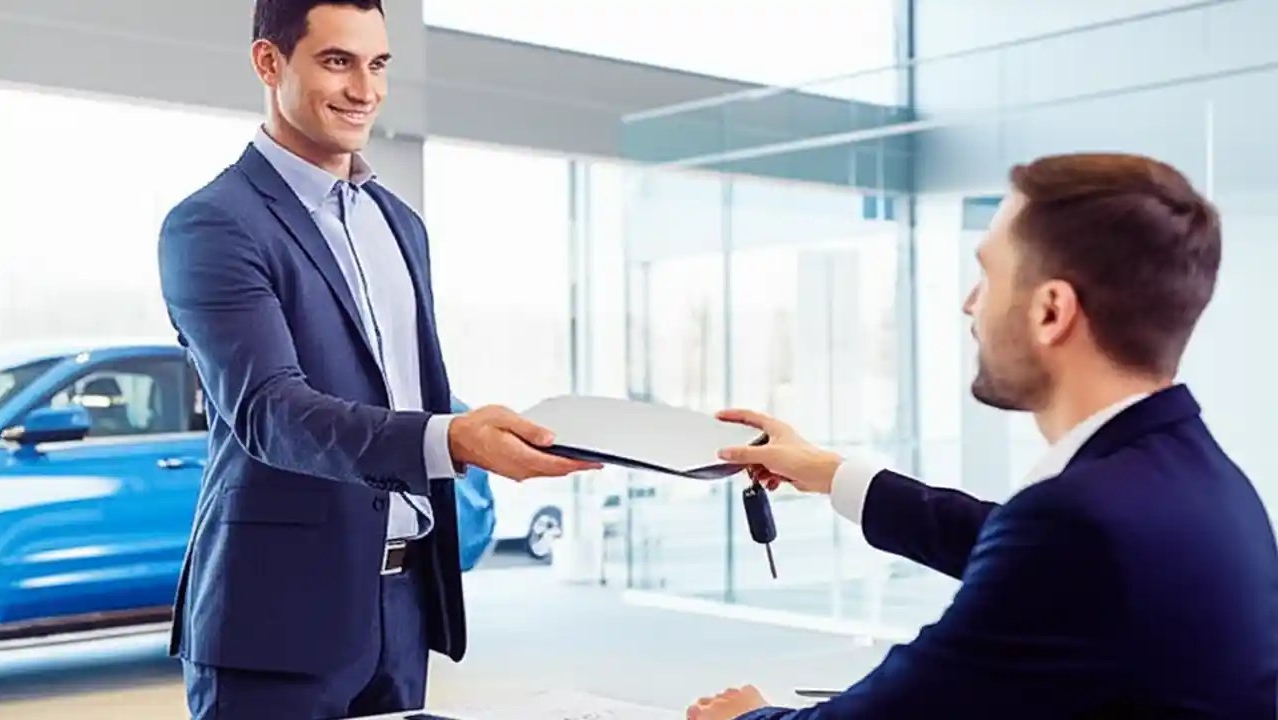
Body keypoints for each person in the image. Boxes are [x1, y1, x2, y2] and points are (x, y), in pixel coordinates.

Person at [688, 153, 1278, 719]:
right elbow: (1023, 557)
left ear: (1051, 310)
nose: (970, 304)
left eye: (989, 274)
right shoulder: (1202, 484)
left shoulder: (1080, 521)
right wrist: (832, 474)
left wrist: (749, 718)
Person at [156, 1, 601, 717]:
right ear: (269, 63)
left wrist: (498, 432)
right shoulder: (212, 223)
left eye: (378, 63)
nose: (364, 89)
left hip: (401, 608)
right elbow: (271, 412)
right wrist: (449, 439)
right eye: (338, 61)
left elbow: (401, 389)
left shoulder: (400, 223)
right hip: (273, 621)